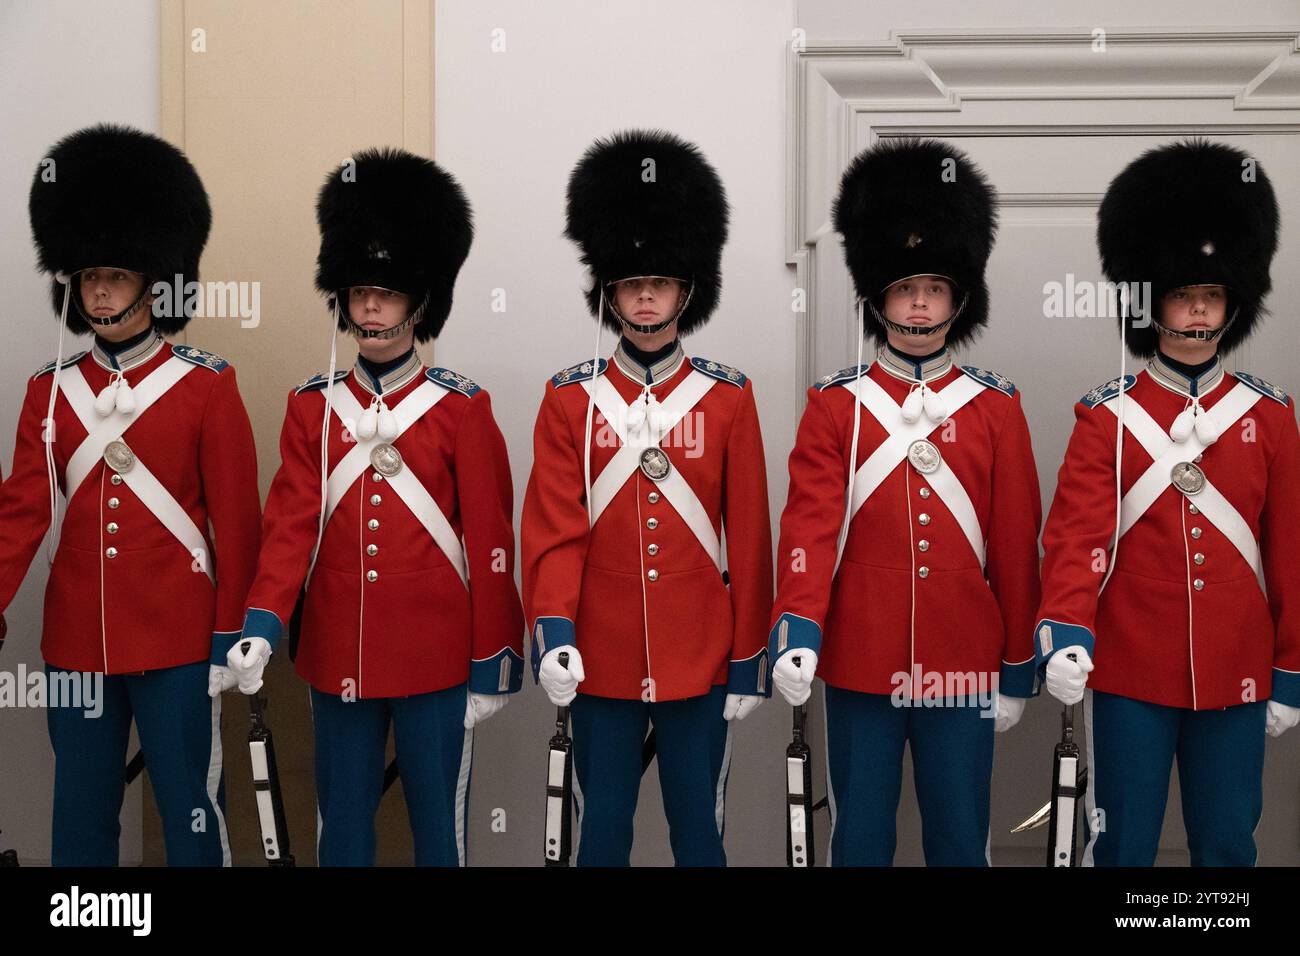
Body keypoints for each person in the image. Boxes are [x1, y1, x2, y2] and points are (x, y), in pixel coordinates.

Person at [233, 148, 523, 866]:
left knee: (439, 835)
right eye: (359, 289)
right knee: (344, 834)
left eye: (386, 292)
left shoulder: (462, 408)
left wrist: (492, 660)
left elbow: (489, 541)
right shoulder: (311, 406)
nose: (368, 304)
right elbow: (289, 526)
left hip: (435, 658)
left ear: (417, 301)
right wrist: (263, 623)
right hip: (337, 654)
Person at [767, 139, 1042, 866]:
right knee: (859, 839)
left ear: (958, 298)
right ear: (879, 296)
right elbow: (809, 528)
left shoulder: (995, 407)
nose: (919, 300)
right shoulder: (836, 406)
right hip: (860, 658)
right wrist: (797, 625)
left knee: (960, 838)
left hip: (962, 660)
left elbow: (1014, 545)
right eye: (904, 287)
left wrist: (1016, 663)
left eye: (934, 286)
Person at [0, 124, 261, 865]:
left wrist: (228, 634)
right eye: (88, 277)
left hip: (180, 641)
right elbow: (20, 514)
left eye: (115, 275)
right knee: (80, 821)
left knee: (190, 814)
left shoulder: (208, 386)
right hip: (78, 640)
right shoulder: (47, 393)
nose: (100, 290)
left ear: (153, 278)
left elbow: (237, 523)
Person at [1035, 139, 1299, 866]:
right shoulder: (1107, 415)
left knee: (1226, 846)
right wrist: (1065, 630)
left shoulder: (1271, 416)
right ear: (1153, 303)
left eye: (1209, 296)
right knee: (1122, 847)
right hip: (1129, 675)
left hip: (1236, 674)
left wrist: (1291, 670)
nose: (1194, 310)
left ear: (1230, 304)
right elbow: (1076, 540)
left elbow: (1291, 554)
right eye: (1181, 295)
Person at [522, 130, 773, 866]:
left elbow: (751, 534)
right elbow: (554, 531)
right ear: (610, 290)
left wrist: (750, 654)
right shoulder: (569, 398)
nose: (644, 295)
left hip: (701, 651)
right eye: (632, 283)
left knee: (699, 833)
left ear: (686, 290)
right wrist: (556, 631)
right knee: (601, 837)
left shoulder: (728, 397)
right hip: (598, 650)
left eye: (658, 282)